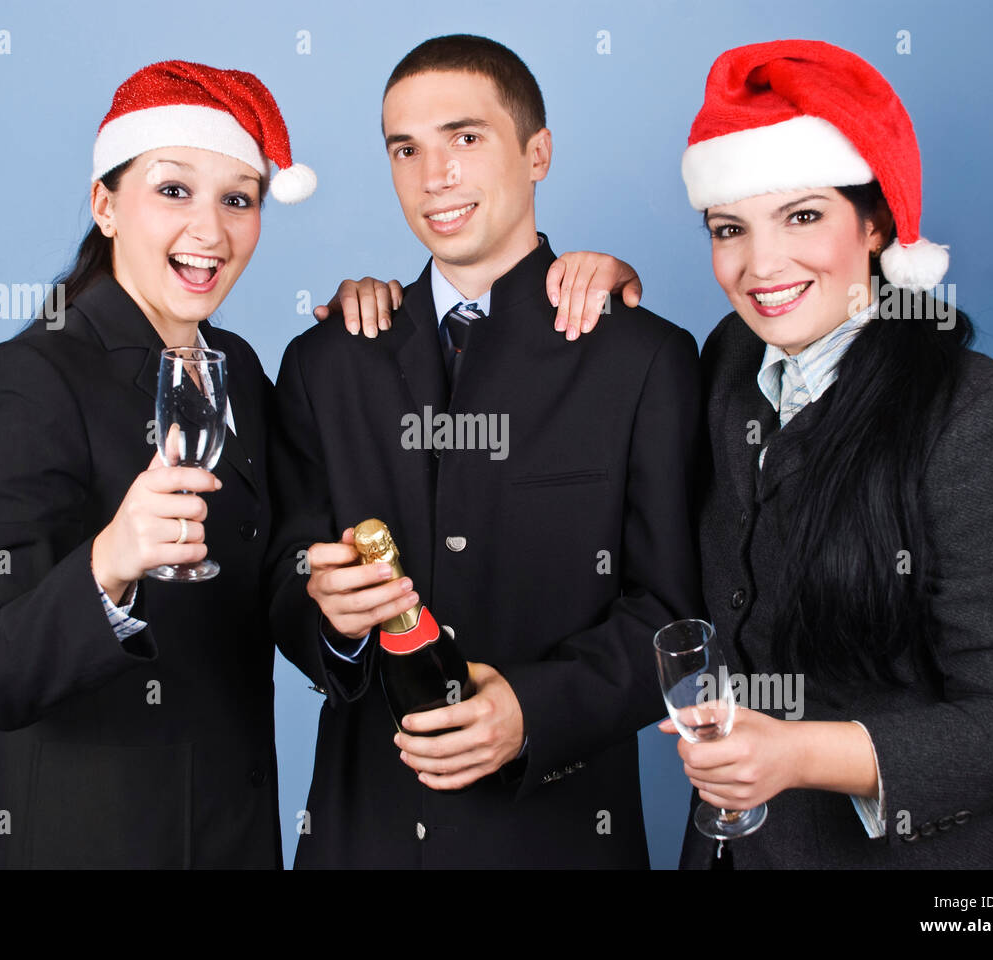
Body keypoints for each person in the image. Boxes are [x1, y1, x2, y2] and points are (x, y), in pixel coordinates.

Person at [546, 39, 993, 868]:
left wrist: (796, 755)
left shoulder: (980, 419)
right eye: (730, 229)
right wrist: (600, 284)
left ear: (876, 224)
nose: (762, 265)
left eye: (803, 217)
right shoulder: (731, 358)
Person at [265, 34, 705, 868]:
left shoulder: (645, 358)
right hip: (363, 839)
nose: (434, 176)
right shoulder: (325, 361)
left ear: (538, 153)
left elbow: (673, 615)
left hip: (560, 839)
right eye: (406, 148)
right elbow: (283, 581)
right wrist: (329, 616)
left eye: (465, 137)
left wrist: (533, 710)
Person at [0, 60, 316, 868]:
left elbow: (279, 573)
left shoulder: (240, 369)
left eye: (239, 199)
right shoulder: (30, 378)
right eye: (174, 190)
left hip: (235, 835)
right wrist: (109, 563)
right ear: (105, 205)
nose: (210, 231)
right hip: (93, 844)